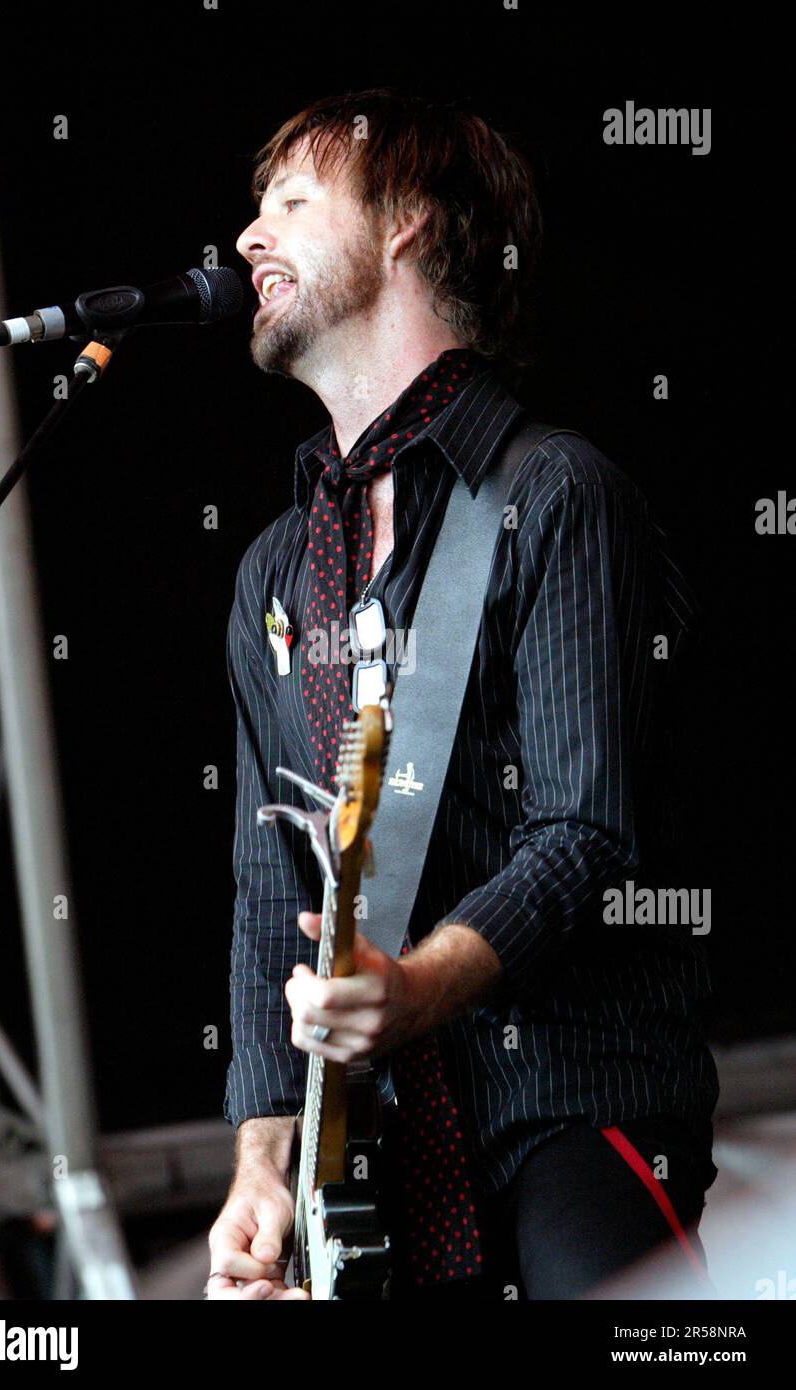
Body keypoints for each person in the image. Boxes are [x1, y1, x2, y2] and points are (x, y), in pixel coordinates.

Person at [207, 89, 719, 1301]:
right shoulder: (273, 574)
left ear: (407, 227)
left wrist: (412, 991)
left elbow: (583, 831)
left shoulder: (555, 494)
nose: (246, 240)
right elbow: (267, 886)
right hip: (375, 1159)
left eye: (290, 201)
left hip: (566, 1105)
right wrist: (264, 1164)